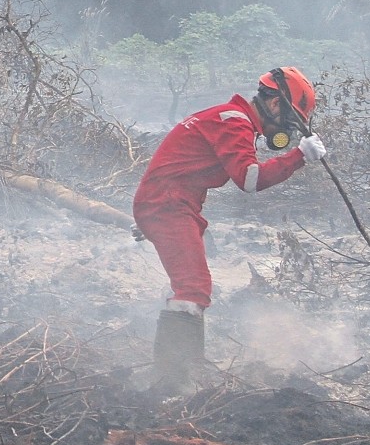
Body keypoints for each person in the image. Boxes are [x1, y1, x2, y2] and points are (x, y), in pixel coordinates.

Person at [131, 67, 327, 388]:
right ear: (276, 105)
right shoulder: (234, 121)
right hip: (168, 205)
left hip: (170, 205)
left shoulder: (229, 117)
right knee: (192, 288)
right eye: (289, 121)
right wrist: (298, 157)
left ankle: (182, 372)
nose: (284, 130)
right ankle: (171, 382)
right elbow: (249, 179)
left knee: (190, 285)